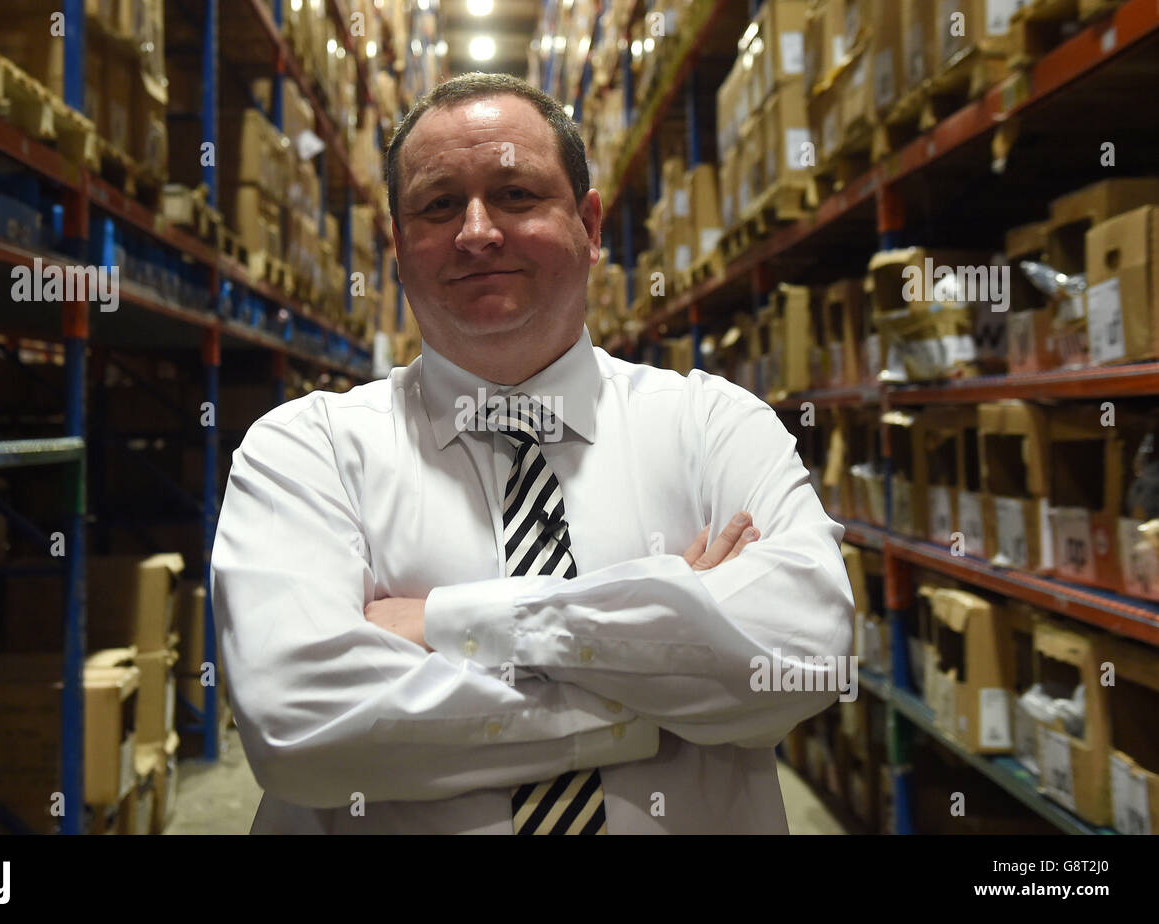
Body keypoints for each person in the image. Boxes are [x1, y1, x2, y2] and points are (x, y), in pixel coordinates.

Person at [211, 72, 854, 834]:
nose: (477, 231)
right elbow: (300, 728)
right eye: (438, 204)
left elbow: (807, 653)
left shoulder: (709, 422)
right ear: (396, 244)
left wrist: (446, 623)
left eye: (516, 195)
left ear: (590, 223)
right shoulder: (303, 450)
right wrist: (661, 647)